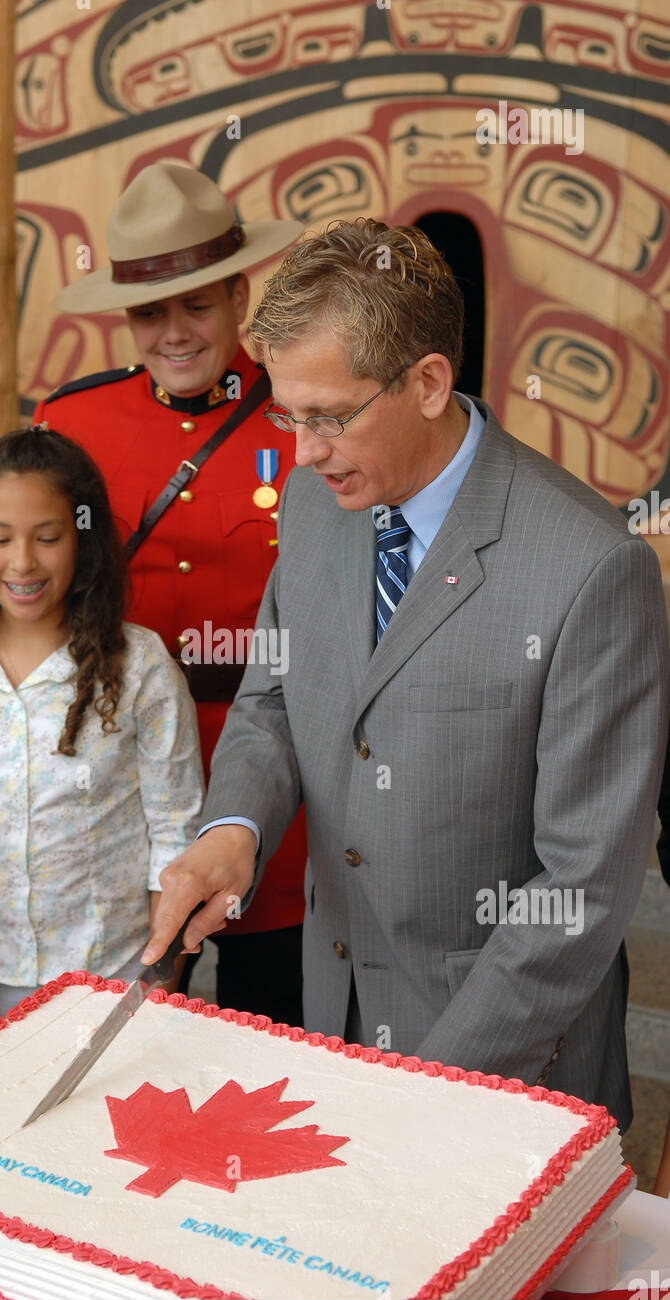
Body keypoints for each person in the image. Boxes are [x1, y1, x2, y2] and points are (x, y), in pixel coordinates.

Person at [142, 219, 669, 1131]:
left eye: (328, 416)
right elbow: (272, 696)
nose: (302, 451)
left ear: (429, 382)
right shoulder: (317, 496)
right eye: (286, 413)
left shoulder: (592, 568)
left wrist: (426, 1089)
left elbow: (579, 888)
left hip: (506, 1072)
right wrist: (234, 827)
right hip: (334, 1014)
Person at [34, 161, 308, 1025]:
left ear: (239, 294)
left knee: (282, 1022)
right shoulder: (72, 423)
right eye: (150, 312)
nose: (174, 333)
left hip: (277, 776)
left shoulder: (304, 420)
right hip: (127, 781)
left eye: (197, 305)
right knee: (129, 1033)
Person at [0, 425, 205, 1019]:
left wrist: (160, 975)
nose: (22, 562)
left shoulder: (140, 666)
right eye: (0, 538)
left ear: (82, 538)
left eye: (47, 537)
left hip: (115, 976)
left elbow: (175, 831)